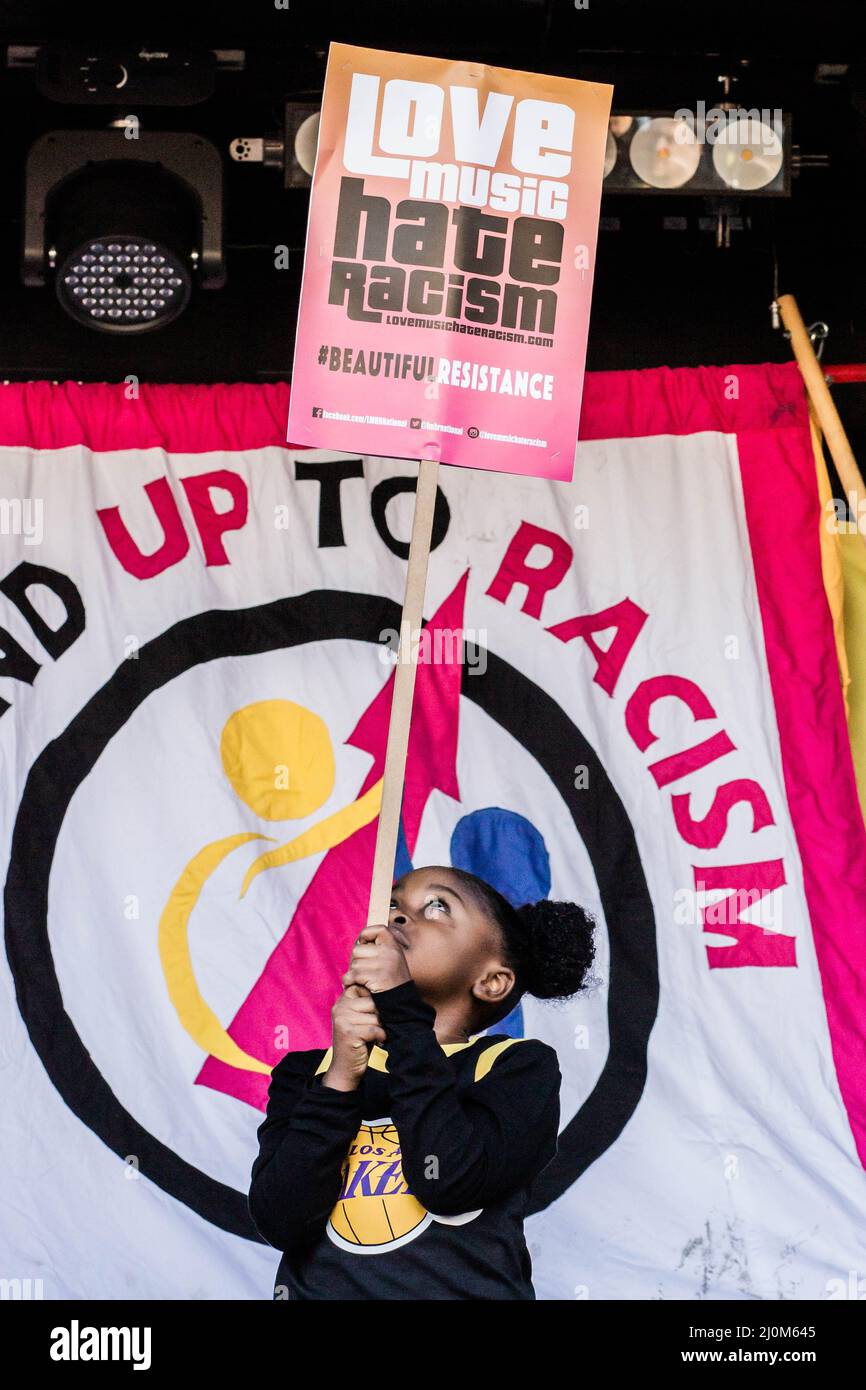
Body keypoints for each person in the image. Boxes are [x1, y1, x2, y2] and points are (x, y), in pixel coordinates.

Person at [247, 863, 596, 1300]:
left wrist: (401, 1008)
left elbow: (449, 1183)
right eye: (392, 902)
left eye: (436, 906)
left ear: (491, 981)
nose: (396, 914)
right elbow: (282, 1220)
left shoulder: (513, 1067)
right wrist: (339, 1078)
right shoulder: (309, 1072)